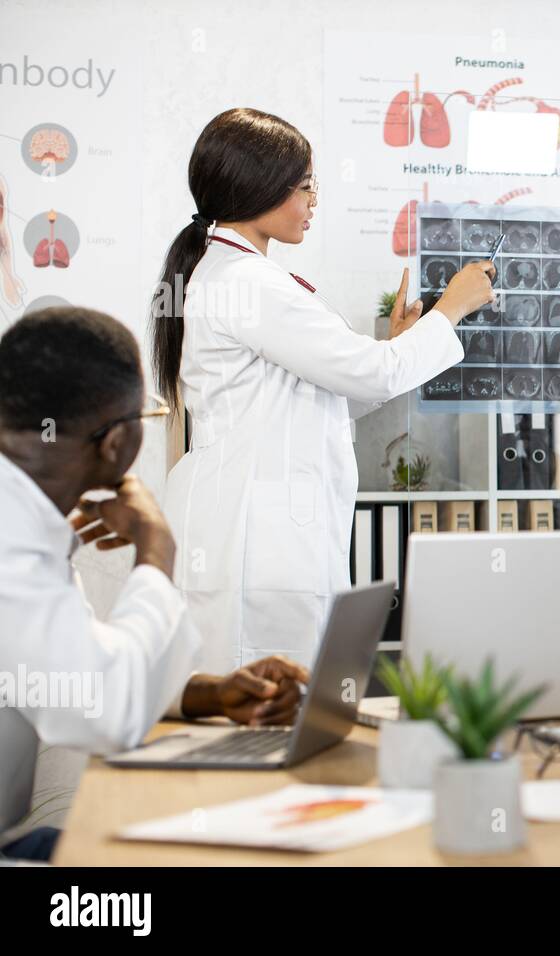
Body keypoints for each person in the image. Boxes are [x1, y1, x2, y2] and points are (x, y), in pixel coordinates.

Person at [151, 108, 495, 673]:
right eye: (306, 187)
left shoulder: (237, 276)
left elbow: (333, 393)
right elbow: (371, 373)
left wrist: (394, 348)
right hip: (253, 537)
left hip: (251, 526)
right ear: (258, 186)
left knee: (269, 704)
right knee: (264, 705)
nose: (315, 202)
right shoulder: (248, 283)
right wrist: (452, 307)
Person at [0, 307, 310, 862]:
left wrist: (210, 693)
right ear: (118, 442)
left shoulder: (24, 517)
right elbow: (104, 710)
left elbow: (77, 669)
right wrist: (156, 553)